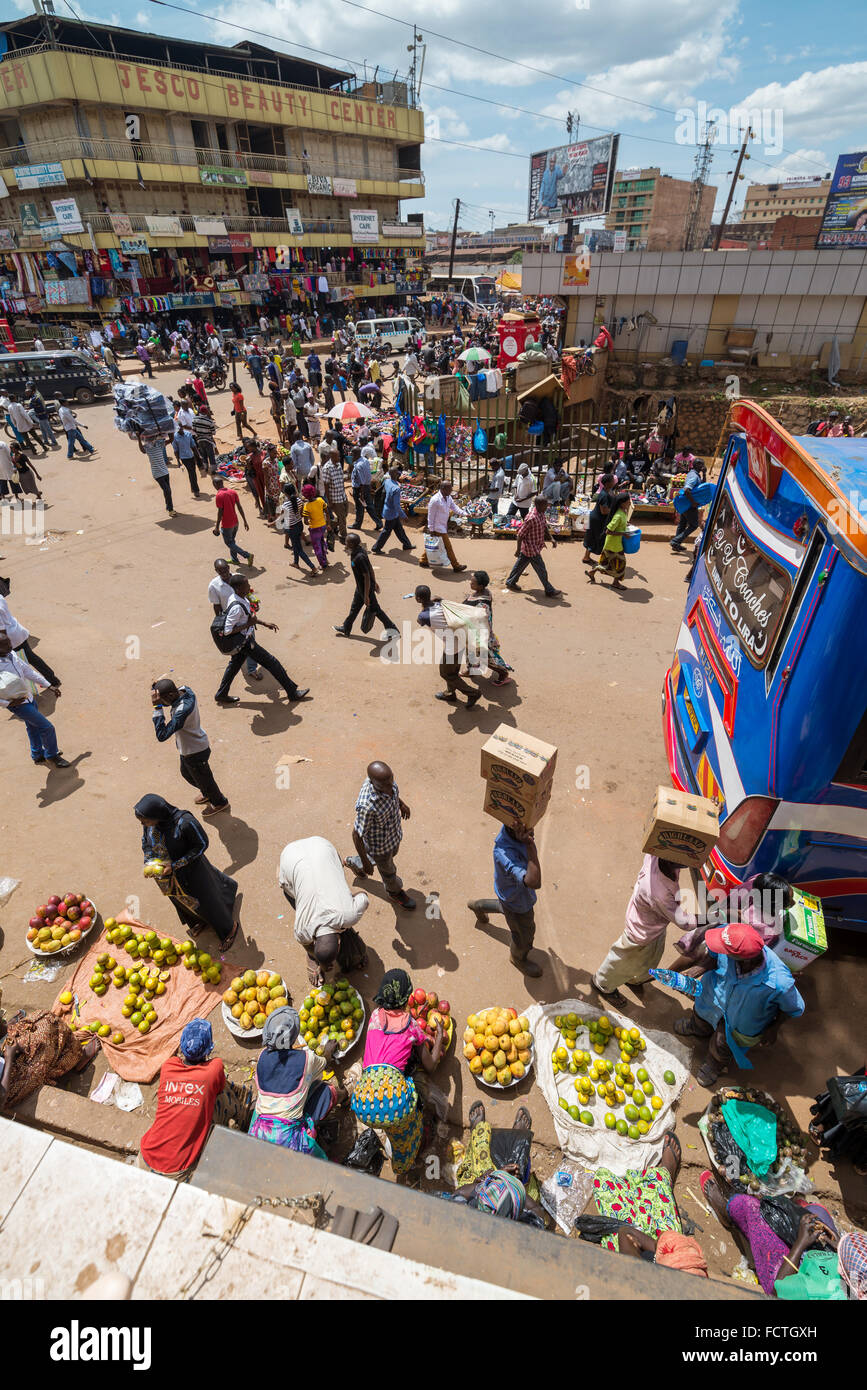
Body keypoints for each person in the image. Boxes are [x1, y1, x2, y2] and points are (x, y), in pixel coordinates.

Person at [673, 922, 805, 1087]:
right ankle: (697, 1028)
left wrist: (774, 1028)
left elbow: (793, 1008)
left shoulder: (779, 982)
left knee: (724, 1043)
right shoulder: (728, 938)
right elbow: (712, 957)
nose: (720, 949)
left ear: (745, 961)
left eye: (725, 951)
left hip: (741, 1020)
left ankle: (714, 1064)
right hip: (712, 998)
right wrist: (700, 969)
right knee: (701, 1016)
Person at [350, 968, 443, 1175]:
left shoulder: (375, 1016)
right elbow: (431, 1065)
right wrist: (439, 1036)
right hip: (394, 1105)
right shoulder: (410, 1025)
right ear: (406, 999)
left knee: (388, 1118)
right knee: (407, 1131)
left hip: (363, 1102)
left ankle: (385, 1131)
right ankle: (402, 1165)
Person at [701, 1168, 846, 1298]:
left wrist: (800, 1244)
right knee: (817, 1211)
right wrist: (841, 1248)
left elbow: (780, 1291)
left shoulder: (822, 1294)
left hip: (786, 1283)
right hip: (824, 1269)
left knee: (746, 1206)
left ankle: (727, 1213)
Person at [139, 1020, 250, 1179]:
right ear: (209, 1049)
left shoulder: (168, 1067)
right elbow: (218, 1088)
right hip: (176, 1169)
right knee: (222, 1094)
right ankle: (243, 1118)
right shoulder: (214, 1069)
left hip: (146, 1155)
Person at [583, 1133, 707, 1275]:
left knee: (606, 1186)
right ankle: (664, 1177)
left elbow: (625, 1233)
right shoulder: (680, 1279)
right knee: (664, 1218)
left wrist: (656, 1245)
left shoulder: (633, 1272)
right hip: (656, 1255)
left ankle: (661, 1182)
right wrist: (662, 1246)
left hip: (629, 1249)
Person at [134, 794, 239, 948]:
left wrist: (175, 865)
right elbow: (146, 842)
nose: (143, 824)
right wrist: (149, 860)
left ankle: (228, 930)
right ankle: (198, 921)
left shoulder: (184, 822)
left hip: (192, 873)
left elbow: (201, 845)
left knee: (206, 901)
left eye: (145, 820)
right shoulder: (150, 824)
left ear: (157, 814)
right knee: (181, 900)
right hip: (166, 877)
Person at [592, 856, 694, 1000]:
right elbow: (685, 922)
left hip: (654, 928)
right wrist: (716, 916)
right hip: (640, 933)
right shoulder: (660, 893)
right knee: (620, 962)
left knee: (649, 959)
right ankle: (603, 984)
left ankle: (635, 979)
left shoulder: (655, 856)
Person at [248, 1007, 343, 1158]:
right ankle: (344, 1098)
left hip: (259, 1131)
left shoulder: (262, 1057)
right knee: (327, 1090)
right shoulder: (306, 1059)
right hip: (288, 1138)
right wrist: (328, 1051)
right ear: (294, 1038)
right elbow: (325, 1061)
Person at [278, 836, 369, 986]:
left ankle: (339, 953)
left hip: (321, 849)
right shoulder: (302, 930)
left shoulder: (347, 915)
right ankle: (312, 958)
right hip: (290, 861)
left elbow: (363, 896)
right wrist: (319, 959)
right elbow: (363, 896)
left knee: (346, 929)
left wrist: (346, 905)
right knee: (301, 899)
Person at [440, 1102, 547, 1225]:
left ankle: (477, 1129)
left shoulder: (461, 1219)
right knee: (518, 1160)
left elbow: (458, 1194)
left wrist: (487, 1180)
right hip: (518, 1203)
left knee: (479, 1157)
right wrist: (513, 1187)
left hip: (480, 1189)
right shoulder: (526, 1231)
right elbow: (537, 1212)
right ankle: (516, 1137)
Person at [214, 573, 309, 707]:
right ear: (238, 588)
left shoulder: (239, 598)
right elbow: (227, 630)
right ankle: (292, 692)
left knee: (234, 666)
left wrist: (264, 623)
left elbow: (248, 616)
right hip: (245, 642)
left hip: (242, 640)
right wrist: (249, 624)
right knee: (272, 663)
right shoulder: (236, 606)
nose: (249, 586)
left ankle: (221, 694)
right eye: (247, 585)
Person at [468, 821, 544, 977]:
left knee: (504, 907)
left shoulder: (513, 826)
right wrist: (529, 845)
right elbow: (534, 882)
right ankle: (517, 958)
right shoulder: (505, 853)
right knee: (524, 935)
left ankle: (477, 906)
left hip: (509, 895)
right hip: (517, 902)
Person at [151, 677, 230, 817]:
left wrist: (157, 707)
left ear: (170, 695)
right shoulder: (186, 691)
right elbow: (173, 688)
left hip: (195, 752)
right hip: (191, 747)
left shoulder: (181, 712)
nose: (162, 704)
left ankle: (219, 802)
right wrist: (156, 687)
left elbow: (162, 735)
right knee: (187, 773)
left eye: (162, 701)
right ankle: (208, 792)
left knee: (205, 779)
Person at [345, 761, 415, 910]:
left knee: (390, 855)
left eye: (392, 781)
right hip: (380, 846)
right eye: (386, 785)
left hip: (392, 835)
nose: (391, 787)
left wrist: (401, 804)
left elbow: (393, 793)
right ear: (373, 783)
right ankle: (395, 892)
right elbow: (356, 835)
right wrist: (365, 860)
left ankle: (354, 863)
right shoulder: (367, 806)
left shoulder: (387, 782)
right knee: (389, 871)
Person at [1, 1005, 98, 1111]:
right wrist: (9, 1058)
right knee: (48, 1027)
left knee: (42, 1017)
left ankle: (4, 1030)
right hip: (9, 1085)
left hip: (4, 1059)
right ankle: (76, 1059)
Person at [0, 630, 69, 767]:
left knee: (32, 726)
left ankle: (37, 754)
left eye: (9, 643)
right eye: (5, 645)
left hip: (28, 697)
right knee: (47, 727)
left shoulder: (12, 655)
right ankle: (52, 755)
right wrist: (7, 703)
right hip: (18, 704)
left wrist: (49, 685)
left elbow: (28, 671)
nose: (10, 646)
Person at [415, 583, 481, 707]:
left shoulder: (423, 615)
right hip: (461, 641)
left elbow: (420, 621)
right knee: (452, 672)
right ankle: (450, 693)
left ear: (418, 599)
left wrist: (424, 606)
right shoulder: (440, 604)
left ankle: (472, 693)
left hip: (452, 648)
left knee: (445, 673)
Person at [334, 533, 398, 640]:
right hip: (360, 588)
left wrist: (367, 595)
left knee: (376, 610)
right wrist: (375, 582)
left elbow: (366, 575)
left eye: (347, 542)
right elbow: (370, 568)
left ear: (352, 544)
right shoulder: (357, 551)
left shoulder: (359, 557)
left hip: (365, 589)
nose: (345, 543)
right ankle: (346, 627)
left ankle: (393, 630)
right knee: (354, 609)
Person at [208, 557, 261, 681]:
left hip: (245, 616)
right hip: (231, 619)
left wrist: (254, 602)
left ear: (229, 567)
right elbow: (216, 606)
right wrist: (220, 622)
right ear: (216, 571)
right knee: (237, 645)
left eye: (225, 569)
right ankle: (237, 661)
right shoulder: (214, 586)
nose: (224, 572)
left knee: (250, 641)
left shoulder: (238, 577)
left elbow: (248, 592)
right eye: (220, 571)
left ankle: (252, 669)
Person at [0, 578, 60, 685]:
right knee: (31, 657)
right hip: (16, 632)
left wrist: (5, 645)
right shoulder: (0, 597)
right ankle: (52, 679)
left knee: (17, 664)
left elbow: (1, 627)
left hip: (8, 638)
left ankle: (43, 682)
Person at [463, 570, 513, 685]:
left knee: (486, 658)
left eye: (473, 582)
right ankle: (471, 670)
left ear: (480, 586)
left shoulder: (482, 604)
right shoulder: (483, 592)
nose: (470, 583)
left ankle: (503, 674)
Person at [505, 497, 561, 597]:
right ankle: (549, 590)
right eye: (545, 505)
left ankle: (510, 582)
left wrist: (551, 538)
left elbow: (544, 527)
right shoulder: (531, 518)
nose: (547, 507)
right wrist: (518, 550)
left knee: (520, 566)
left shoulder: (541, 513)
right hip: (530, 548)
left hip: (535, 546)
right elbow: (520, 535)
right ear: (538, 505)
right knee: (541, 569)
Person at [418, 480, 466, 572]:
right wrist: (431, 529)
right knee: (448, 547)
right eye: (449, 489)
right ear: (443, 489)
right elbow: (430, 516)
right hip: (437, 527)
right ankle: (456, 566)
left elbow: (454, 507)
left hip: (443, 526)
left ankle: (423, 560)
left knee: (434, 544)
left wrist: (464, 514)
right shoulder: (435, 500)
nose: (451, 490)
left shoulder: (448, 497)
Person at [587, 493, 629, 589]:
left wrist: (625, 525)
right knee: (621, 564)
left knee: (606, 563)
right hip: (613, 545)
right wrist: (623, 533)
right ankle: (616, 583)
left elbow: (619, 525)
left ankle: (592, 572)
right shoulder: (618, 515)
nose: (629, 503)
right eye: (628, 502)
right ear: (622, 503)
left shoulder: (622, 513)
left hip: (614, 543)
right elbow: (608, 531)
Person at [371, 465, 414, 554]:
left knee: (399, 529)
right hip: (392, 513)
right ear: (396, 475)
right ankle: (376, 548)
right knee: (386, 531)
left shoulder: (387, 481)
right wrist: (404, 516)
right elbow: (397, 506)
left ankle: (407, 544)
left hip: (387, 509)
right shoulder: (396, 488)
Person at [279, 481, 317, 575]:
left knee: (299, 549)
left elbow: (281, 518)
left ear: (285, 493)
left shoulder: (285, 505)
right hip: (299, 525)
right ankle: (296, 563)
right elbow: (301, 514)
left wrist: (271, 523)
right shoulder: (300, 501)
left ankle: (313, 568)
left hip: (292, 528)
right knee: (296, 546)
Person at [213, 480, 254, 565]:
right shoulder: (232, 492)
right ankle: (234, 559)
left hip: (227, 524)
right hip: (235, 522)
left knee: (229, 543)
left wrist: (216, 526)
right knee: (232, 542)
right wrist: (245, 521)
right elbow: (239, 507)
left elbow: (220, 512)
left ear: (215, 484)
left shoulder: (219, 495)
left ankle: (247, 555)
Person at [582, 471, 615, 565]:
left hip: (595, 518)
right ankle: (603, 561)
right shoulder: (604, 495)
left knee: (592, 539)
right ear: (608, 483)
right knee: (597, 539)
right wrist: (614, 511)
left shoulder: (609, 491)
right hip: (596, 520)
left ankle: (586, 557)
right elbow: (604, 511)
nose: (614, 482)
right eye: (612, 481)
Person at [670, 458, 703, 552]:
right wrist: (693, 502)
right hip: (688, 503)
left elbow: (702, 484)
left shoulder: (695, 474)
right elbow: (687, 490)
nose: (702, 467)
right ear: (696, 465)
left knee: (683, 523)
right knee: (694, 525)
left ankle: (676, 544)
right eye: (701, 465)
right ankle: (676, 541)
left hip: (684, 502)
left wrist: (704, 474)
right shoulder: (694, 476)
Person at [301, 482, 330, 569]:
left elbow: (306, 522)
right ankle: (325, 558)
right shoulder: (321, 500)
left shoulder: (307, 506)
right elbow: (327, 513)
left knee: (317, 547)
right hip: (323, 526)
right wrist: (328, 523)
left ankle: (323, 564)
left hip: (314, 529)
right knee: (321, 542)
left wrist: (310, 520)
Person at [321, 450, 348, 541]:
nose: (339, 458)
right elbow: (326, 486)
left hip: (342, 495)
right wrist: (329, 501)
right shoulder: (327, 468)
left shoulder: (339, 464)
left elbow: (341, 479)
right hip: (335, 498)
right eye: (337, 456)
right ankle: (343, 536)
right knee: (342, 518)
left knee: (344, 515)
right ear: (332, 457)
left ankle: (330, 526)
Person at [350, 447, 379, 528]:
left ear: (355, 454)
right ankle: (378, 522)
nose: (351, 455)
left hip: (360, 489)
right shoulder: (364, 460)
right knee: (369, 505)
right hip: (366, 486)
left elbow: (361, 482)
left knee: (359, 507)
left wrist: (361, 494)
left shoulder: (359, 465)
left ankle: (357, 524)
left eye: (352, 454)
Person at [172, 424, 202, 499]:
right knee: (192, 472)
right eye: (178, 429)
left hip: (191, 456)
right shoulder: (175, 437)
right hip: (184, 458)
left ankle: (193, 486)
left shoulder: (188, 434)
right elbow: (176, 450)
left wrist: (198, 455)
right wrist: (178, 461)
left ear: (182, 427)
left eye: (180, 428)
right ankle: (196, 490)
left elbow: (193, 446)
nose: (180, 430)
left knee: (193, 472)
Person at [191, 403, 218, 475]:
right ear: (206, 412)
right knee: (211, 455)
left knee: (203, 454)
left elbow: (194, 429)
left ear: (199, 411)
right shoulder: (209, 422)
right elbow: (213, 433)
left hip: (199, 440)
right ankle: (213, 470)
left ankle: (206, 467)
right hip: (208, 440)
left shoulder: (194, 419)